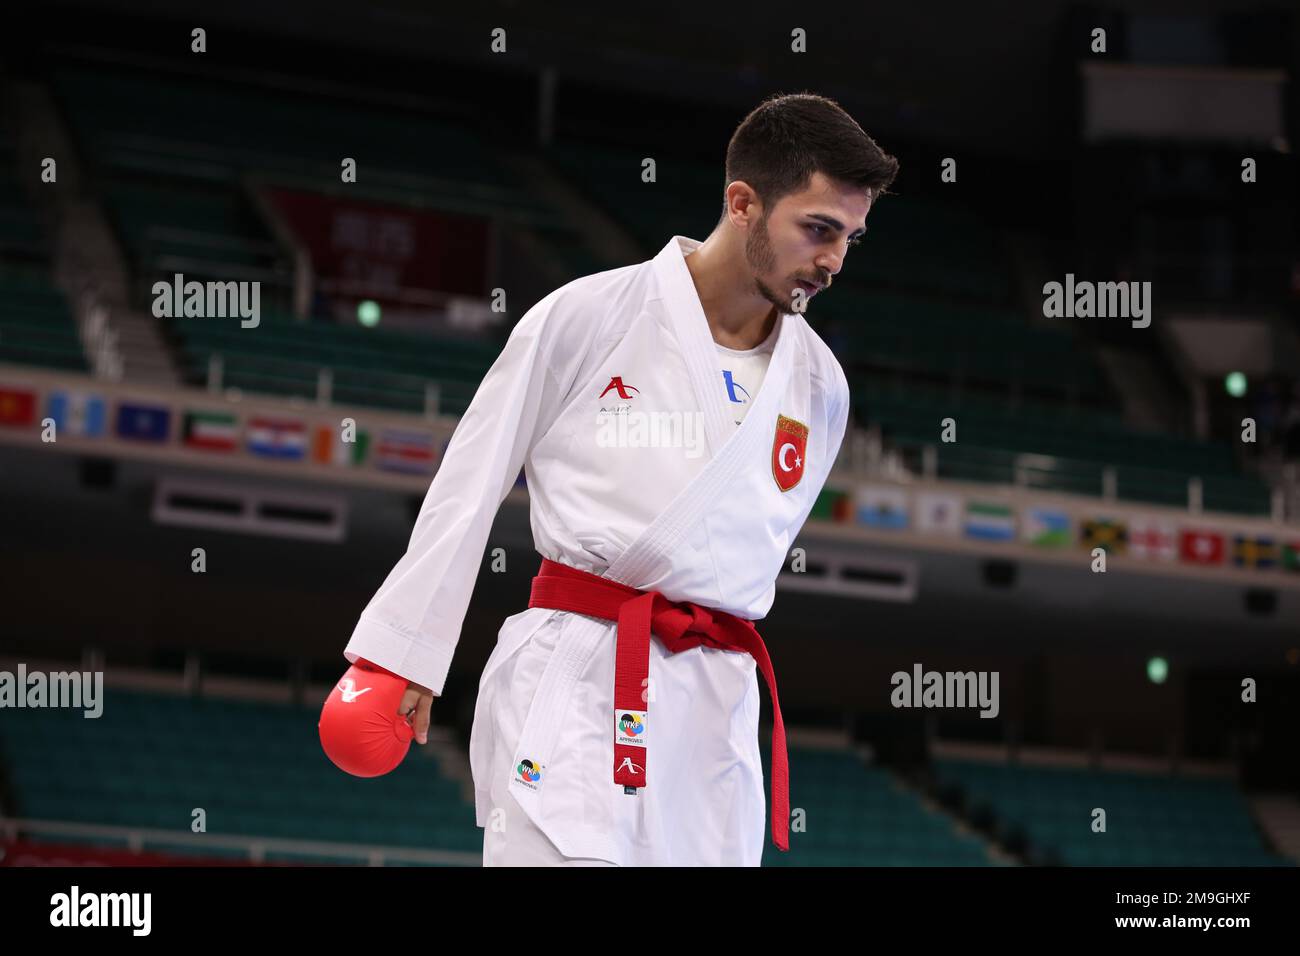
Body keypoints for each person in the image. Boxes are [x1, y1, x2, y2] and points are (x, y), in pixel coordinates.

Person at [338, 92, 898, 865]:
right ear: (743, 203)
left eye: (850, 238)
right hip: (581, 670)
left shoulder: (821, 386)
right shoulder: (590, 316)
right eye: (819, 229)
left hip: (715, 713)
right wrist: (401, 651)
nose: (833, 260)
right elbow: (470, 481)